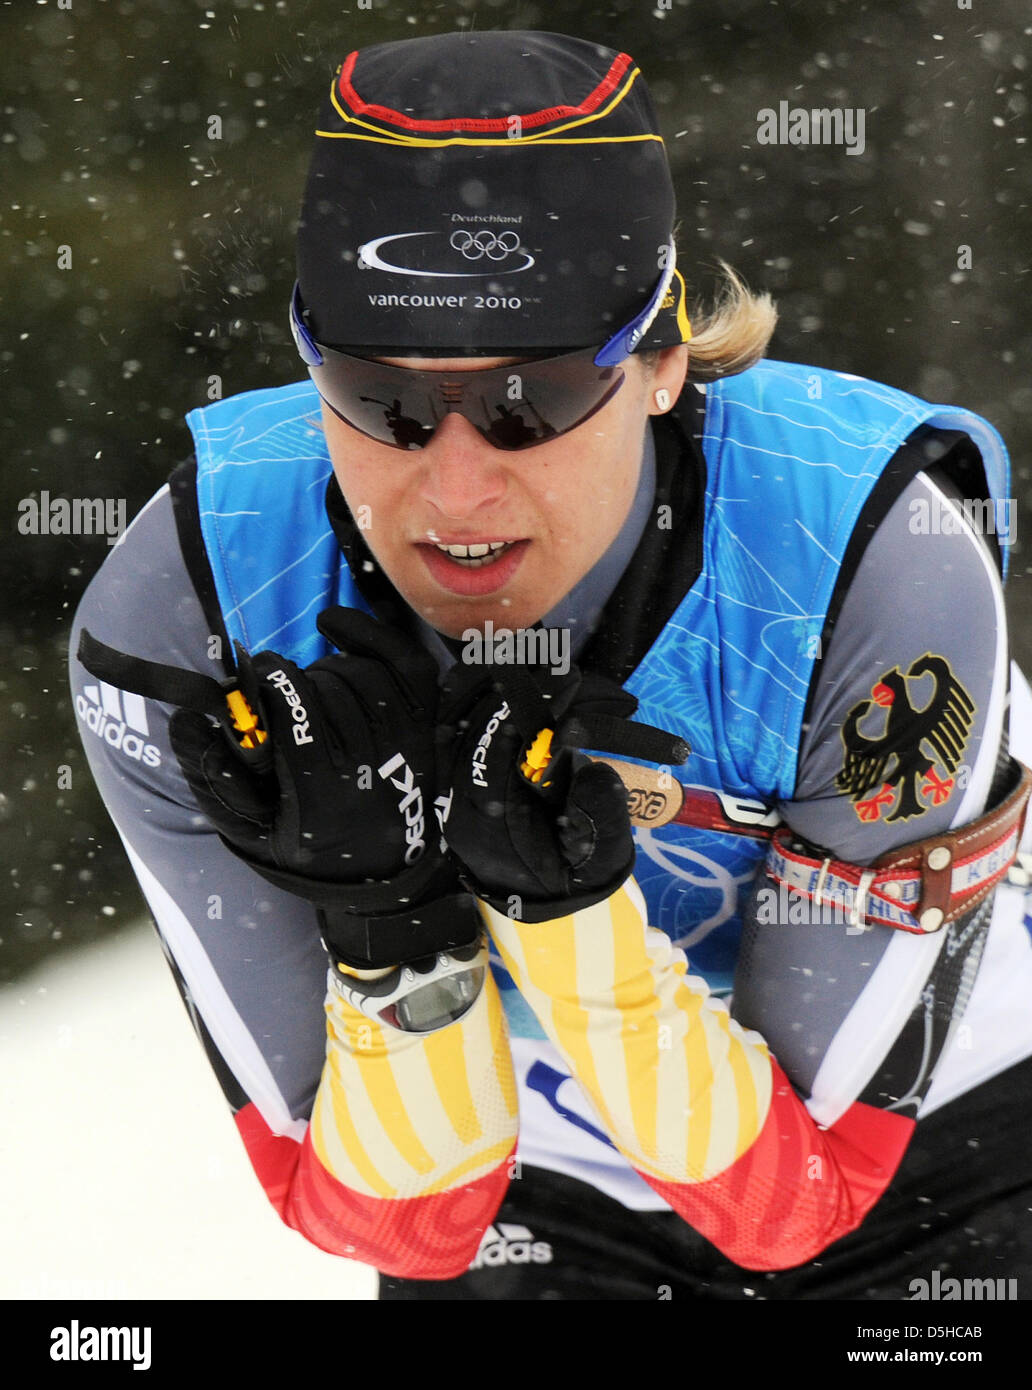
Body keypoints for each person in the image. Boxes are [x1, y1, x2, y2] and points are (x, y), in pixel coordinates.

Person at [70, 29, 1032, 1300]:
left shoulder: (868, 556)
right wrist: (394, 930)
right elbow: (398, 1226)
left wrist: (566, 918)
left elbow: (798, 1196)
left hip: (943, 1165)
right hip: (534, 1185)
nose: (456, 487)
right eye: (380, 401)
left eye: (528, 400)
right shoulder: (191, 607)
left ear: (661, 361)